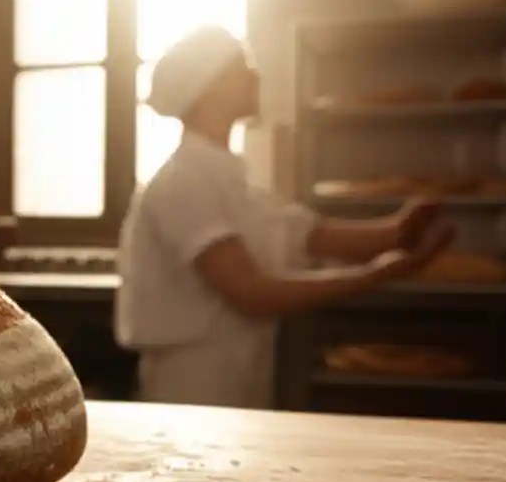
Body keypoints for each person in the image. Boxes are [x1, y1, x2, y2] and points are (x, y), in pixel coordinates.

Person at [115, 26, 454, 409]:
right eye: (241, 67)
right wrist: (375, 275)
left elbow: (312, 235)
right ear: (208, 87)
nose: (255, 76)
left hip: (237, 376)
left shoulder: (237, 182)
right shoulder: (182, 183)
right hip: (193, 388)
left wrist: (401, 230)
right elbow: (251, 293)